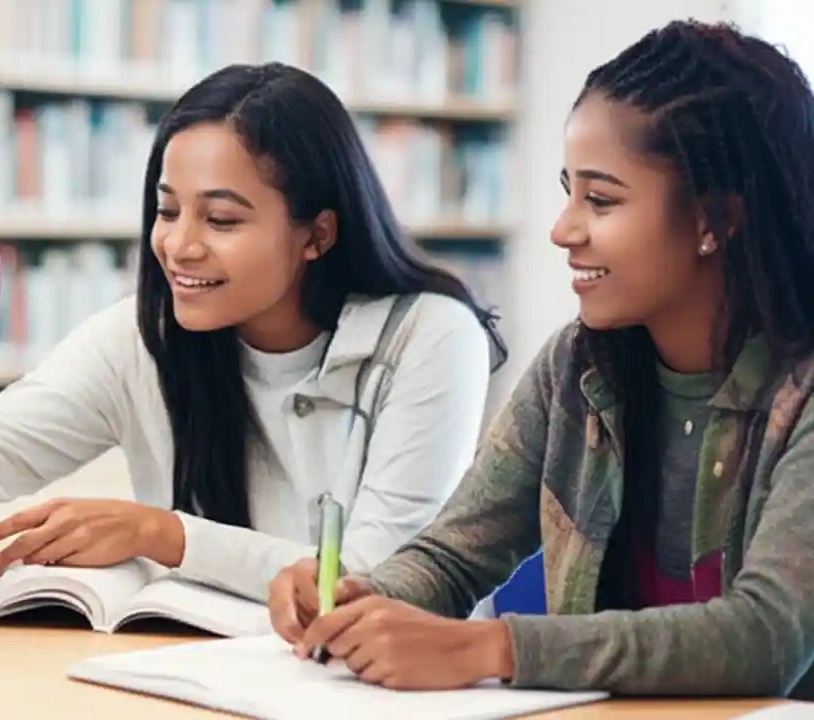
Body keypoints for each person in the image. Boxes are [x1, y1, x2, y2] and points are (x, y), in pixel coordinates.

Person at [0, 61, 507, 603]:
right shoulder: (142, 336)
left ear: (318, 233)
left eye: (221, 219)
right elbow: (0, 446)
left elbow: (383, 579)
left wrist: (164, 535)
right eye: (167, 209)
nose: (180, 246)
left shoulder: (431, 338)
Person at [267, 19, 814, 699]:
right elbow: (452, 555)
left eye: (602, 200)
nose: (563, 230)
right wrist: (362, 601)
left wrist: (493, 646)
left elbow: (767, 636)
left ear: (716, 219)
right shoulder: (576, 369)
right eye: (568, 191)